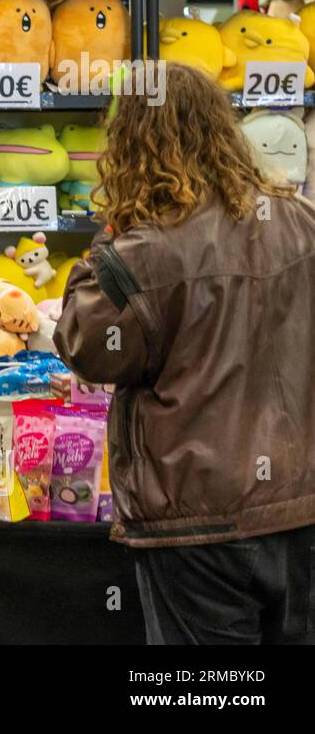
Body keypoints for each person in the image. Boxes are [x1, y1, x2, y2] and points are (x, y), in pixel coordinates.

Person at [55, 62, 315, 645]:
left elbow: (85, 344)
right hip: (299, 509)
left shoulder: (144, 248)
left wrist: (108, 239)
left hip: (197, 520)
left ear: (129, 145)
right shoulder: (301, 221)